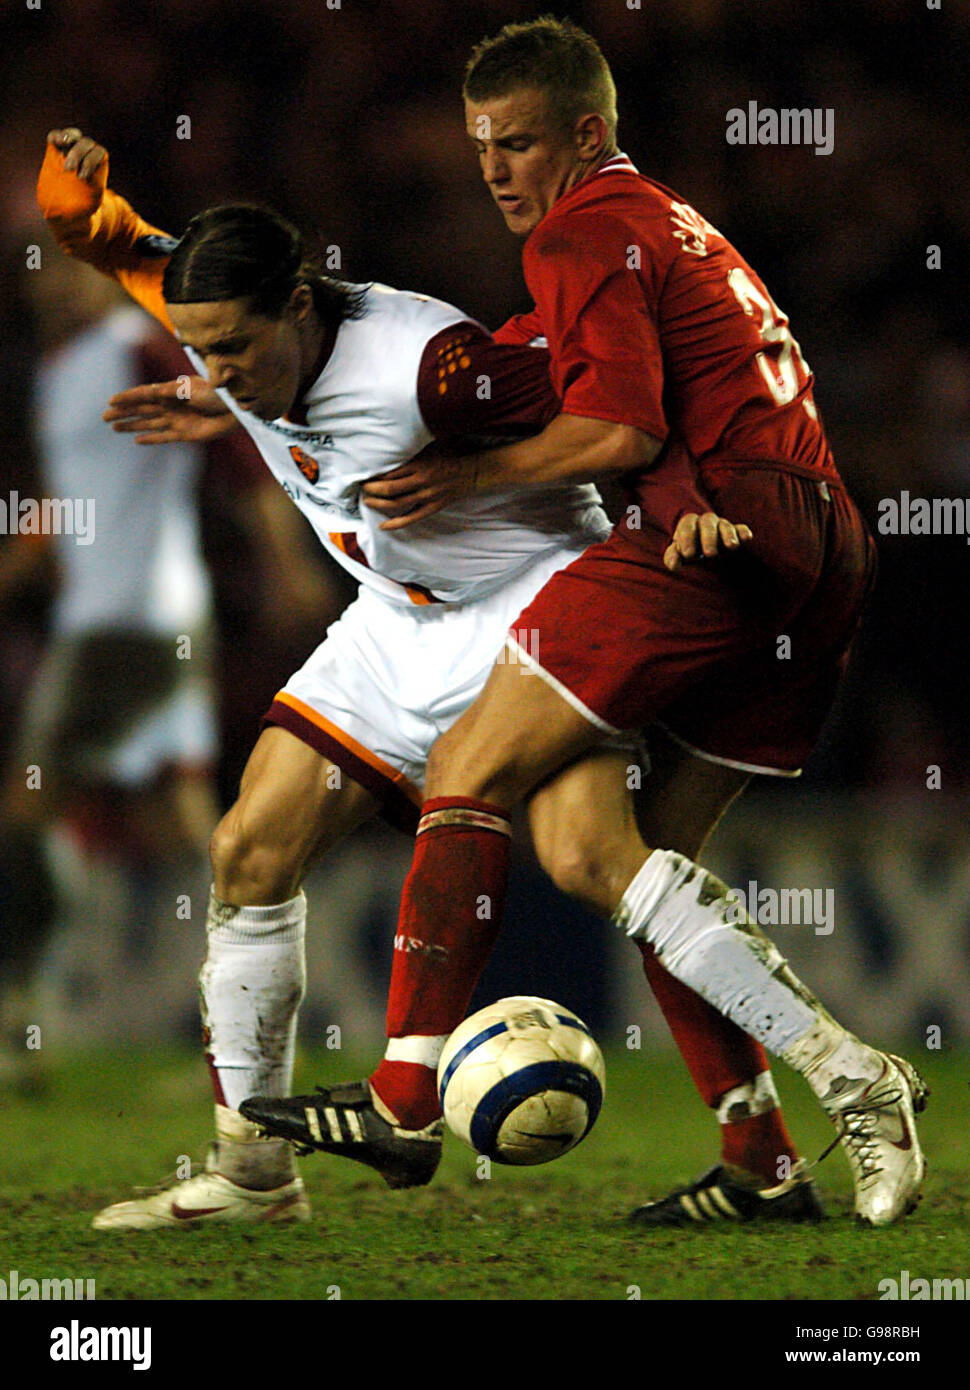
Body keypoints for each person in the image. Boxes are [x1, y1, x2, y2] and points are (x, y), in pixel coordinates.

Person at [243, 18, 928, 1229]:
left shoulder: (582, 227)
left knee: (463, 768)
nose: (496, 171)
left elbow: (616, 432)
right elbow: (572, 373)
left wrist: (458, 482)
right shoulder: (664, 222)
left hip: (707, 533)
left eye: (516, 145)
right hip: (817, 543)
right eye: (481, 148)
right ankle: (764, 1160)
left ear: (586, 133)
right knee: (625, 858)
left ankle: (405, 1097)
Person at [38, 126, 753, 1228]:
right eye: (197, 353)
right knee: (246, 849)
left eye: (234, 350)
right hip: (394, 623)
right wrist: (72, 206)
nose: (215, 375)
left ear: (300, 308)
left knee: (596, 861)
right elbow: (115, 241)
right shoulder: (222, 314)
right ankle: (254, 1175)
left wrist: (693, 500)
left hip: (524, 602)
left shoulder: (430, 365)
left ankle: (776, 1127)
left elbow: (617, 411)